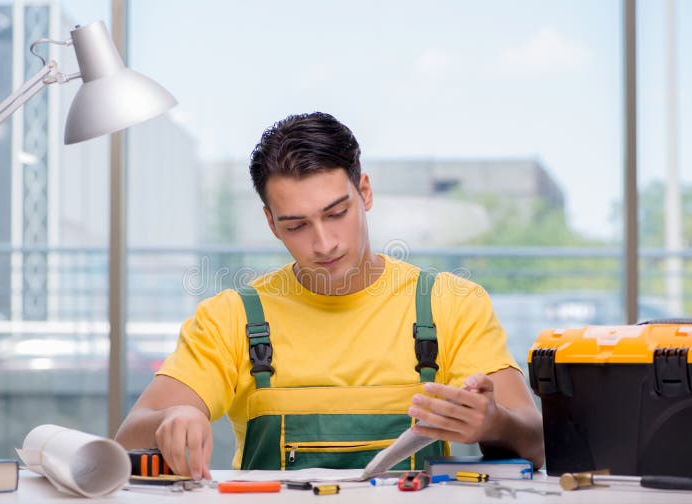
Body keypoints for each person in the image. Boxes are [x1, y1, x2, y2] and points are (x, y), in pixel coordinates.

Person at [115, 112, 544, 479]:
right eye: (296, 226)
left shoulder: (449, 304)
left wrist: (492, 422)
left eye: (337, 213)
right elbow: (127, 439)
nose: (324, 244)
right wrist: (175, 417)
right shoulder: (232, 317)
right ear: (271, 223)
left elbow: (538, 441)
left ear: (365, 193)